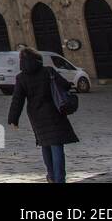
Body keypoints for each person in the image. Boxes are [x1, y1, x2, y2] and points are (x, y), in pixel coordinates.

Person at [8, 47, 78, 183]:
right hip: (54, 112)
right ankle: (59, 179)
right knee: (57, 145)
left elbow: (17, 99)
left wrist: (13, 119)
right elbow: (64, 85)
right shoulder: (48, 71)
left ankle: (51, 176)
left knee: (45, 144)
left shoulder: (21, 78)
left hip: (36, 116)